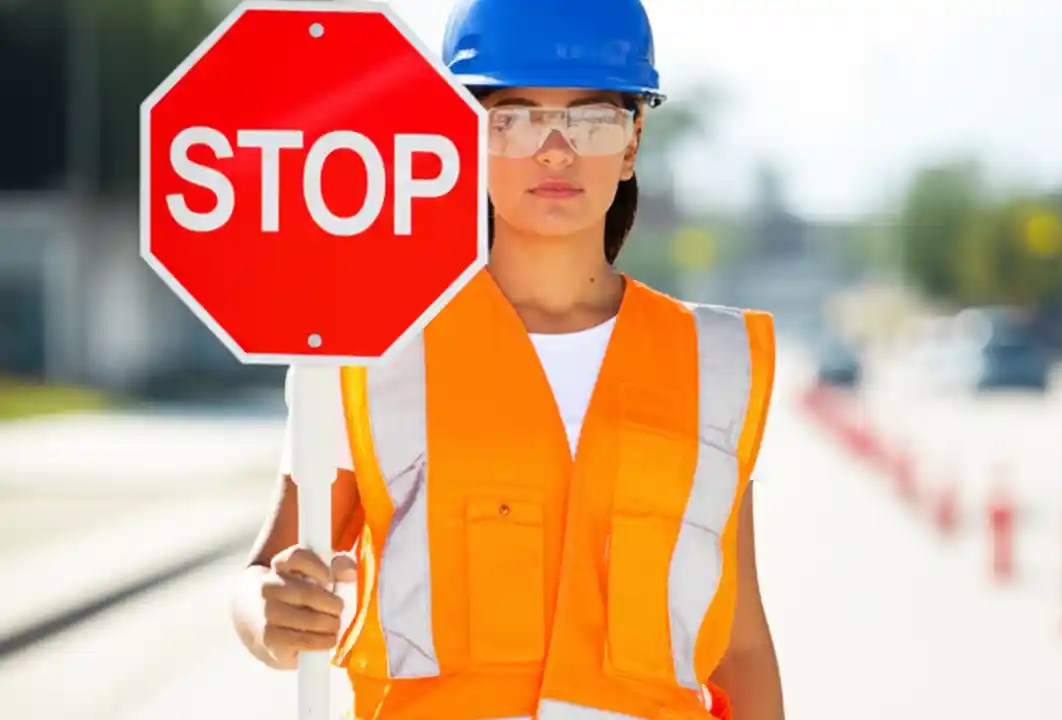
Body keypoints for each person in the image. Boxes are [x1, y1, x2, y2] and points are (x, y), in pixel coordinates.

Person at [231, 1, 783, 718]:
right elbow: (261, 575)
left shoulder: (712, 366)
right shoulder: (369, 352)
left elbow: (739, 647)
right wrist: (269, 616)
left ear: (633, 140)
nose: (555, 148)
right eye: (514, 116)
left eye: (591, 118)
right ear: (459, 133)